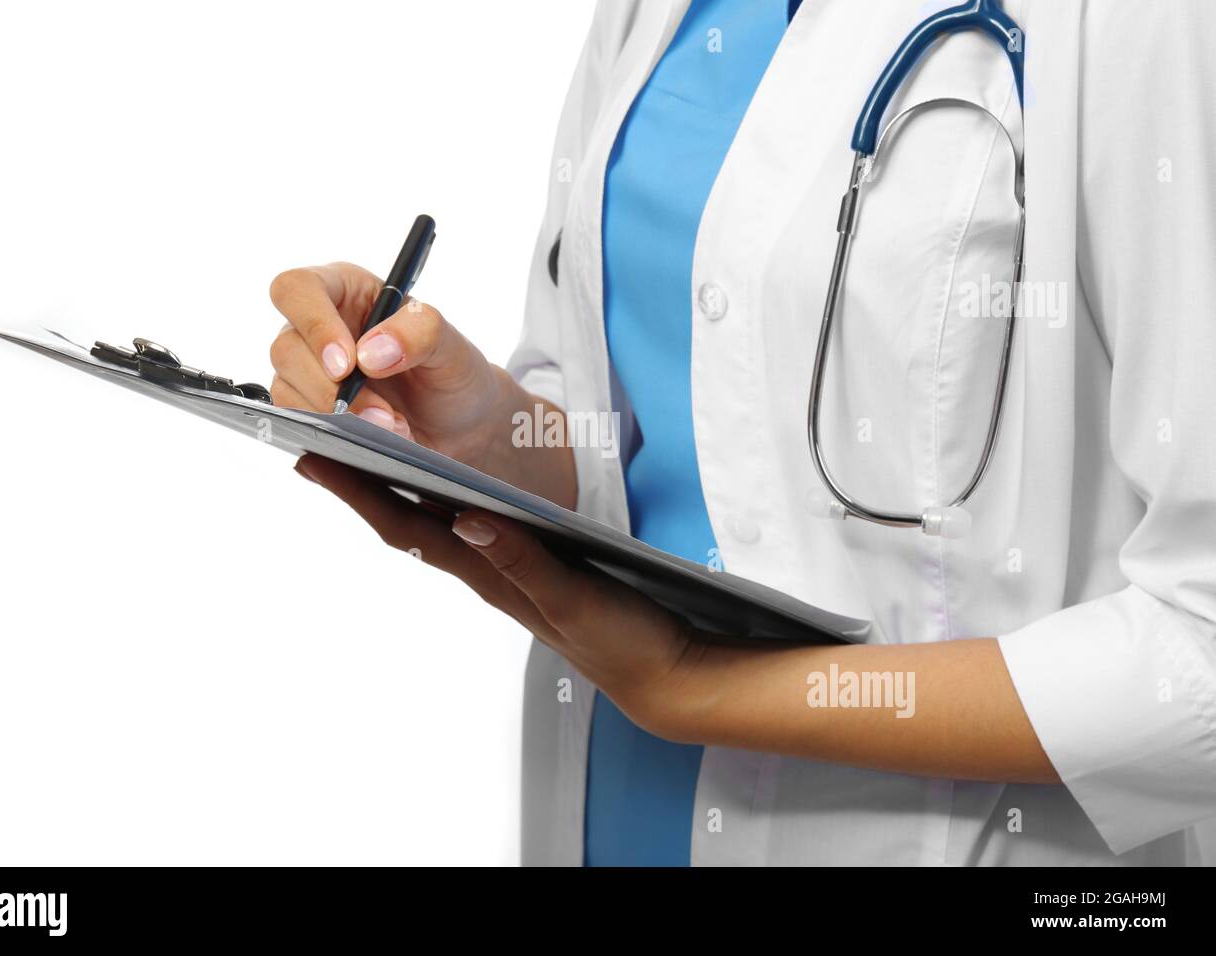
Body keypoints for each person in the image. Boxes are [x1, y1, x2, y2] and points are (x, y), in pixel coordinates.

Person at [265, 0, 1216, 866]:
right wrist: (473, 426)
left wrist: (696, 693)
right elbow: (632, 425)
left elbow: (1199, 650)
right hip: (609, 813)